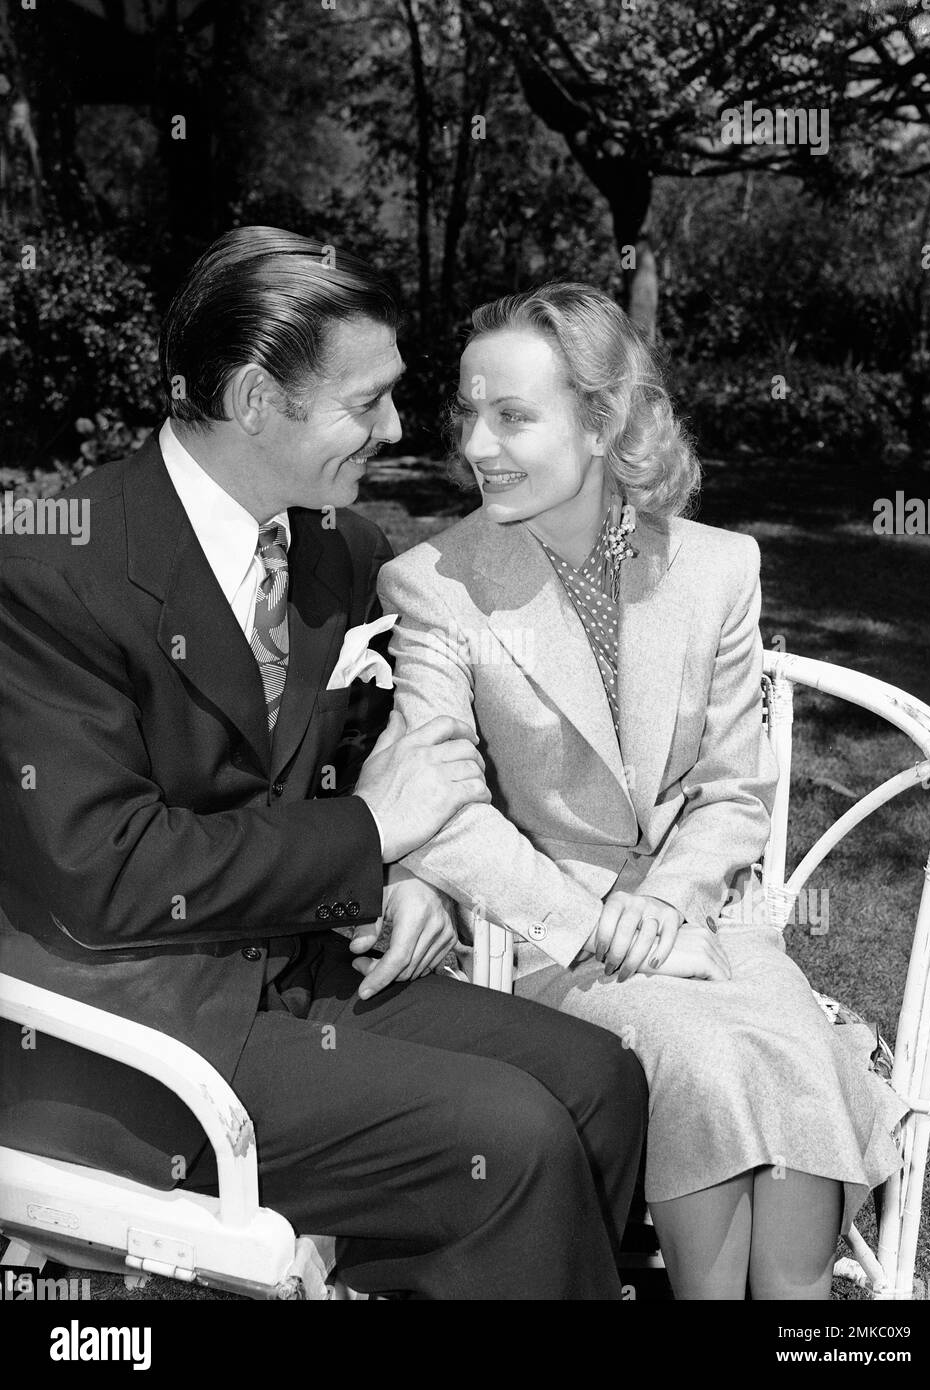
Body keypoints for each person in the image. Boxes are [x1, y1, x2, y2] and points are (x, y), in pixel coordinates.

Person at [0, 232, 648, 1301]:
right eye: (367, 403)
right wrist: (368, 835)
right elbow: (106, 874)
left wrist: (419, 876)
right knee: (513, 1140)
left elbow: (422, 723)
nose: (397, 430)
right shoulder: (49, 565)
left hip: (307, 969)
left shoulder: (338, 549)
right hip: (124, 1029)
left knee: (597, 1080)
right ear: (258, 399)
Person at [376, 282, 908, 1300]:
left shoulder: (717, 569)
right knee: (711, 1064)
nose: (475, 443)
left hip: (712, 925)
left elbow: (731, 791)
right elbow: (435, 803)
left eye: (512, 415)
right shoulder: (437, 582)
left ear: (601, 417)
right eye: (466, 411)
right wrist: (591, 920)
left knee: (794, 1063)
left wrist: (667, 900)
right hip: (552, 945)